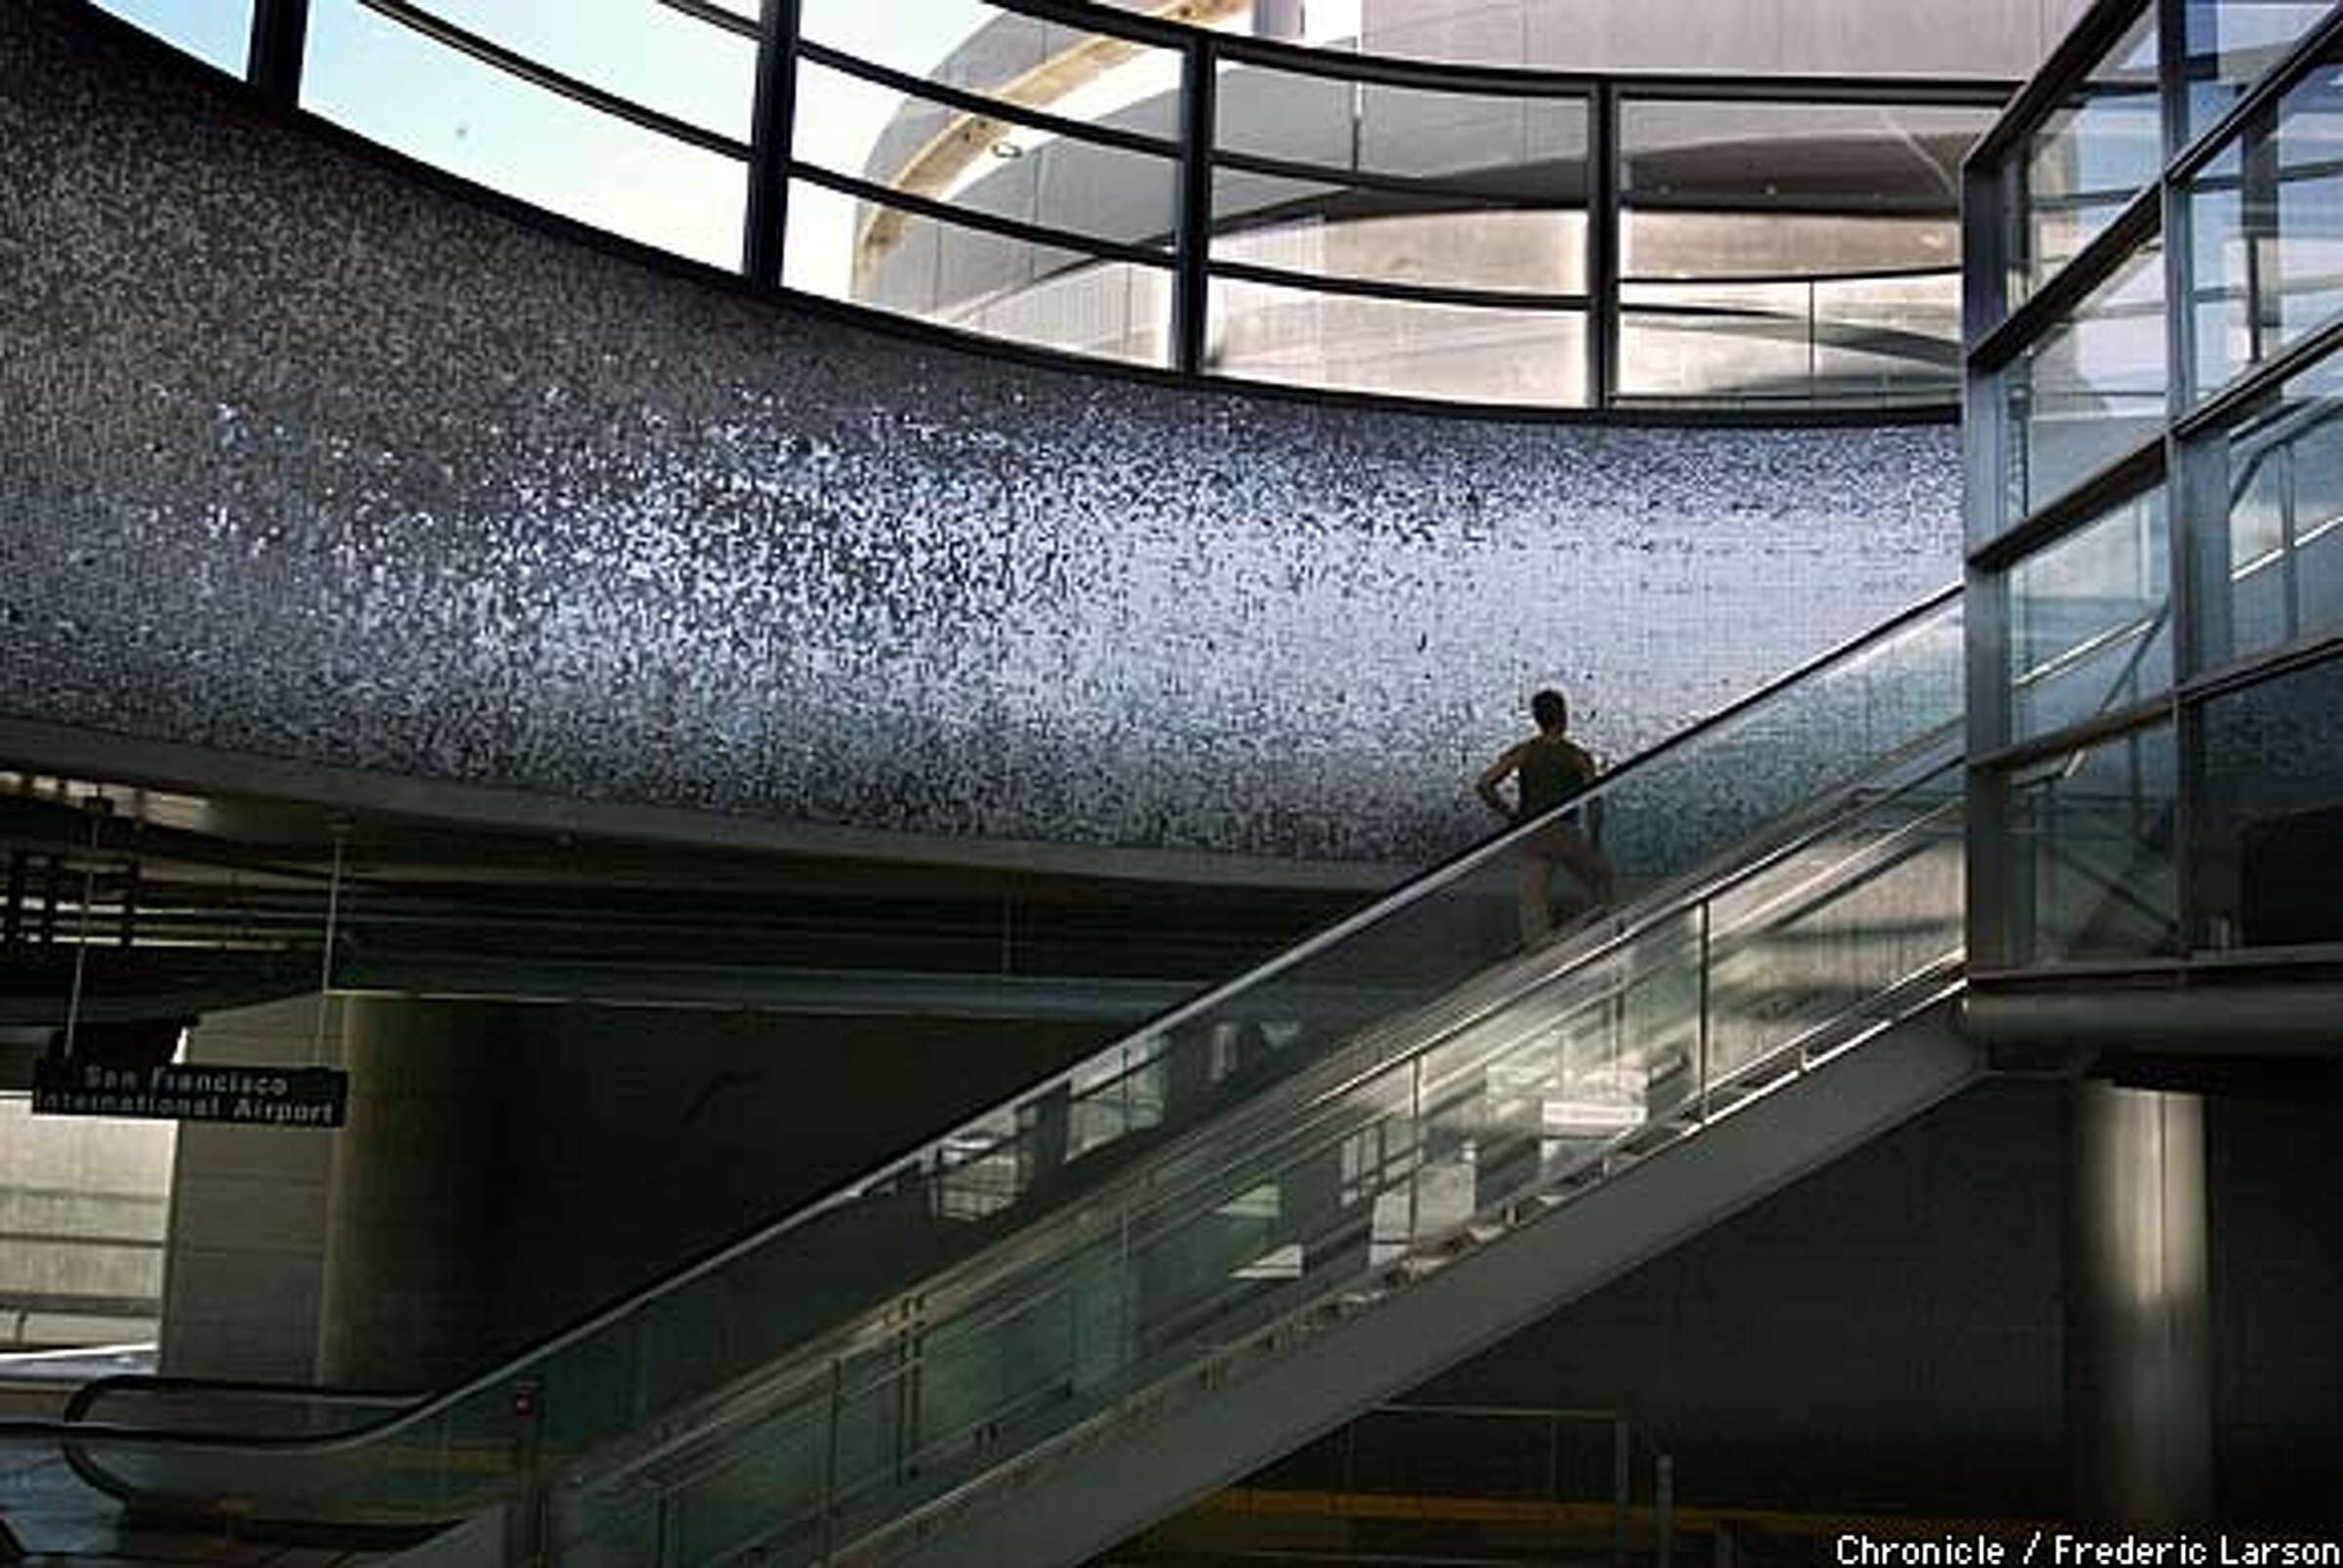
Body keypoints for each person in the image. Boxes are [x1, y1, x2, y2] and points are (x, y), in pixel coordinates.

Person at [1478, 688, 1616, 945]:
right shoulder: (1576, 756)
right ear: (1563, 716)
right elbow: (1594, 801)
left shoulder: (1525, 752)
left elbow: (1485, 784)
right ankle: (1596, 935)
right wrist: (1595, 840)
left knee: (1533, 899)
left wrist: (1511, 815)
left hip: (1533, 831)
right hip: (1564, 830)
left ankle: (1538, 952)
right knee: (1601, 880)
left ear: (1537, 718)